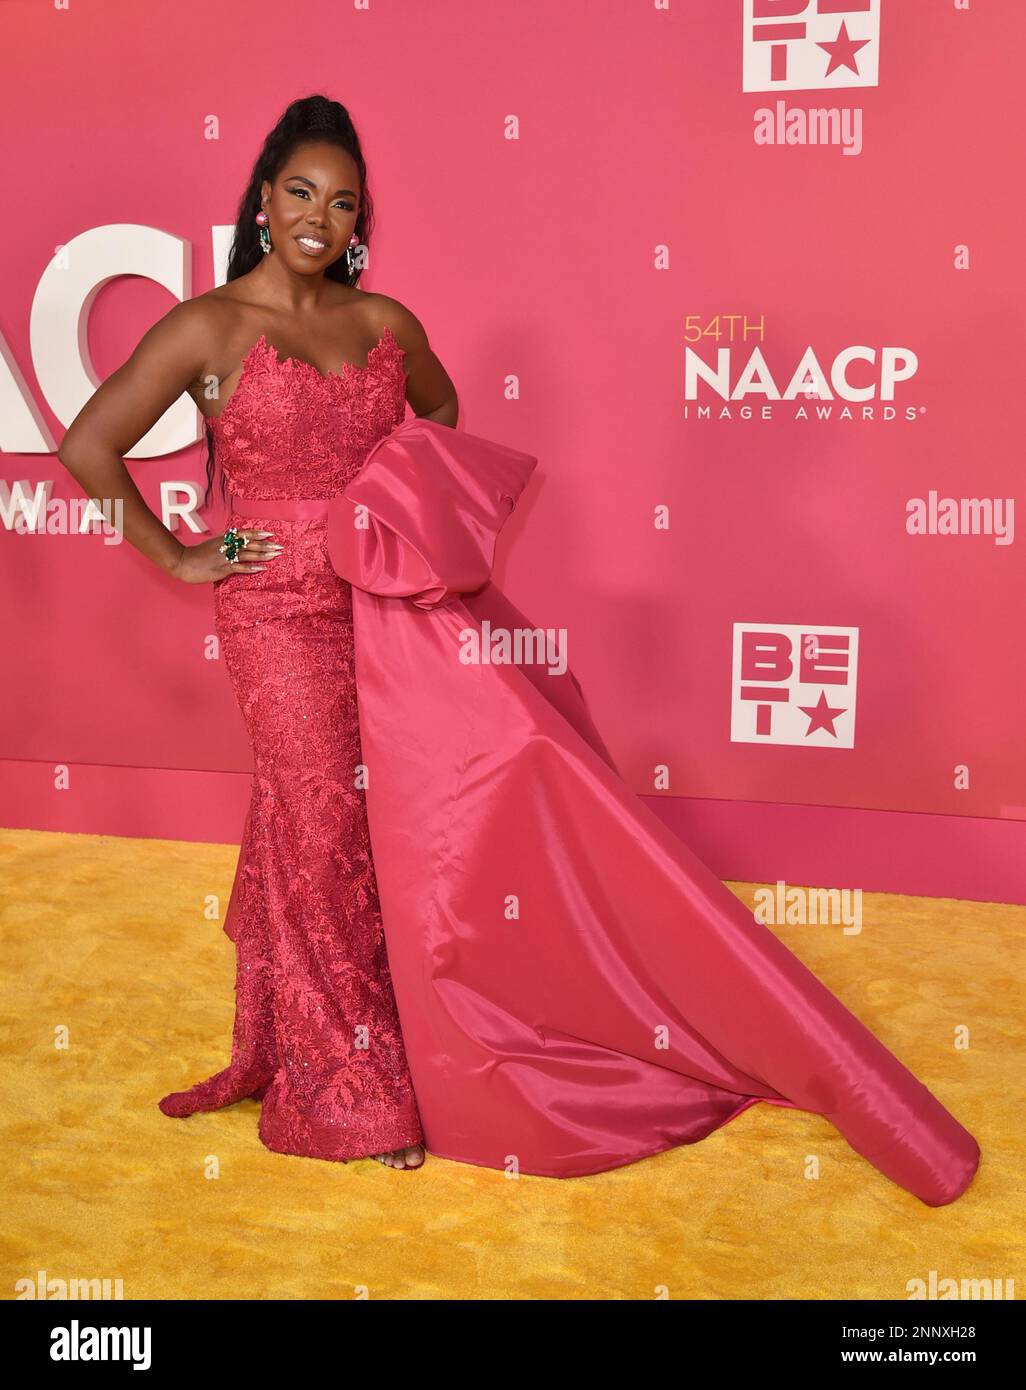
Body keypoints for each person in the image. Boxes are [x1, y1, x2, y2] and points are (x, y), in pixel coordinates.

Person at [59, 94, 980, 1203]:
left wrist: (394, 515)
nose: (319, 213)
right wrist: (182, 557)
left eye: (342, 201)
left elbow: (439, 426)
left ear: (359, 223)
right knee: (318, 824)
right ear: (263, 199)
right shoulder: (204, 327)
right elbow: (89, 442)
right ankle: (348, 1085)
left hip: (390, 610)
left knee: (390, 820)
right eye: (300, 190)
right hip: (277, 614)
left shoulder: (384, 323)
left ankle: (430, 1030)